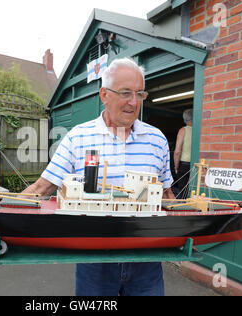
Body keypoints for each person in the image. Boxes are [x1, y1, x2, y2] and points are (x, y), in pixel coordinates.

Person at [23, 57, 175, 296]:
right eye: (126, 93)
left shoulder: (157, 140)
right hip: (94, 261)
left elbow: (167, 196)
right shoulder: (77, 137)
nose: (133, 102)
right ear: (104, 95)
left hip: (147, 261)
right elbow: (41, 189)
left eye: (139, 94)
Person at [173, 109, 193, 198]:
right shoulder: (200, 130)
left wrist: (176, 167)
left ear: (184, 119)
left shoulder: (183, 130)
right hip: (197, 165)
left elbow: (177, 151)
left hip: (184, 166)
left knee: (183, 192)